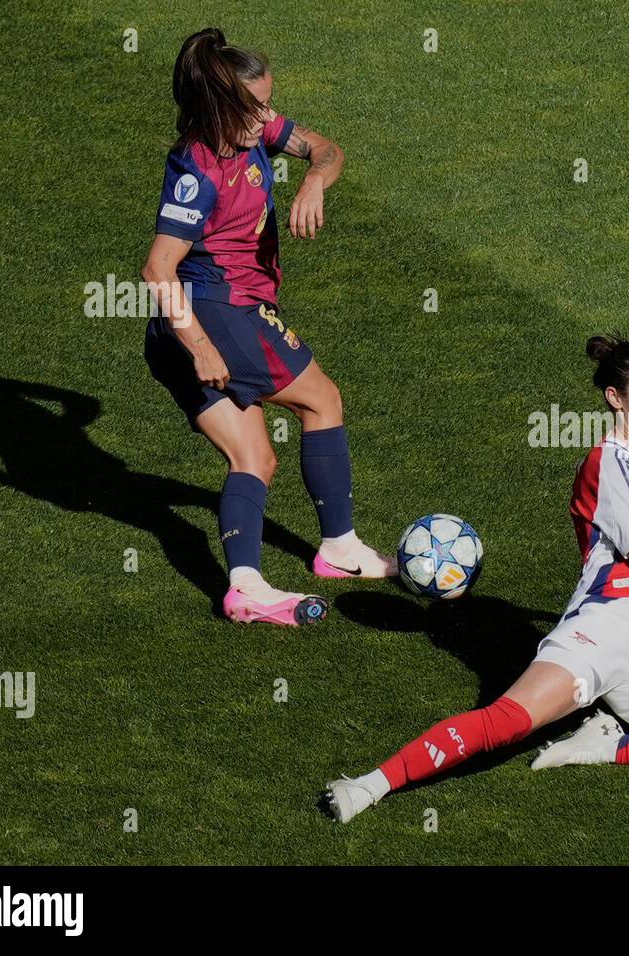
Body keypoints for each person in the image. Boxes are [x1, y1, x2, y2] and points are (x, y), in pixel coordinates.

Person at [327, 334, 629, 822]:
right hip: (605, 630)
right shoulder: (612, 465)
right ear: (616, 398)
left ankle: (609, 744)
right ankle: (369, 785)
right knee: (508, 722)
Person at [140, 28, 395, 627]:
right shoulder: (198, 171)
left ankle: (246, 589)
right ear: (219, 106)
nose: (266, 118)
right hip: (217, 315)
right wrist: (201, 346)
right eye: (254, 107)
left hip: (192, 328)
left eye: (268, 103)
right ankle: (340, 547)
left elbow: (327, 149)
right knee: (322, 400)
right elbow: (157, 268)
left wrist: (314, 179)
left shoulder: (253, 128)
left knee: (254, 456)